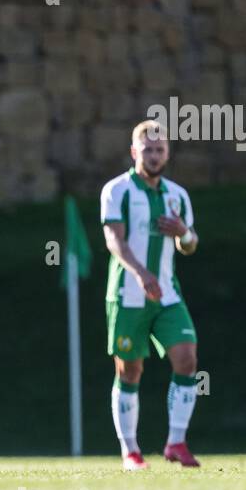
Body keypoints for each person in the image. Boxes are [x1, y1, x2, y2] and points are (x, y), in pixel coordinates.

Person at [100, 119, 201, 470]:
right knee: (130, 371)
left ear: (168, 153)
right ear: (134, 152)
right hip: (128, 295)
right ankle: (130, 451)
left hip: (167, 296)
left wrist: (183, 233)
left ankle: (176, 442)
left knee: (187, 359)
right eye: (148, 150)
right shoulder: (117, 191)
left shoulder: (177, 196)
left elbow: (191, 246)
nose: (154, 156)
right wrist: (142, 273)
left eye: (160, 150)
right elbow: (114, 238)